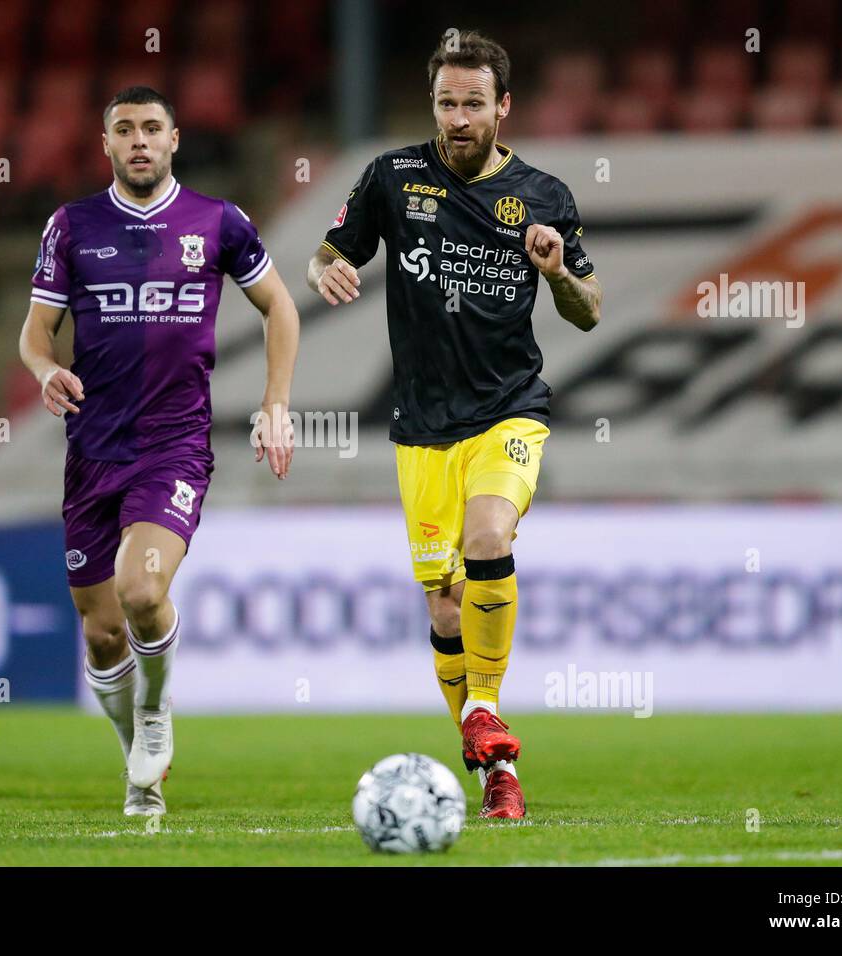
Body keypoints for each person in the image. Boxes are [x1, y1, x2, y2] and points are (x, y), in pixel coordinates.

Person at [306, 31, 603, 819]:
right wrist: (325, 265)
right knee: (443, 607)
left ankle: (482, 710)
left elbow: (589, 311)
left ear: (503, 107)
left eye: (474, 103)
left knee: (489, 539)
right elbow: (329, 249)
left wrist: (556, 273)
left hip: (510, 409)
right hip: (421, 428)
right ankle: (492, 773)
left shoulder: (544, 196)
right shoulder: (393, 177)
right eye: (446, 102)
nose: (459, 117)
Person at [19, 86, 298, 816]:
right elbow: (35, 332)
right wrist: (48, 370)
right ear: (105, 144)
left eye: (151, 128)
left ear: (175, 139)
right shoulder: (72, 226)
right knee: (103, 631)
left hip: (173, 449)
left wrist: (275, 406)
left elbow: (280, 306)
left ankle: (155, 711)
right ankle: (135, 763)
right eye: (124, 130)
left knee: (142, 592)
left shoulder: (218, 221)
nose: (138, 140)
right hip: (91, 453)